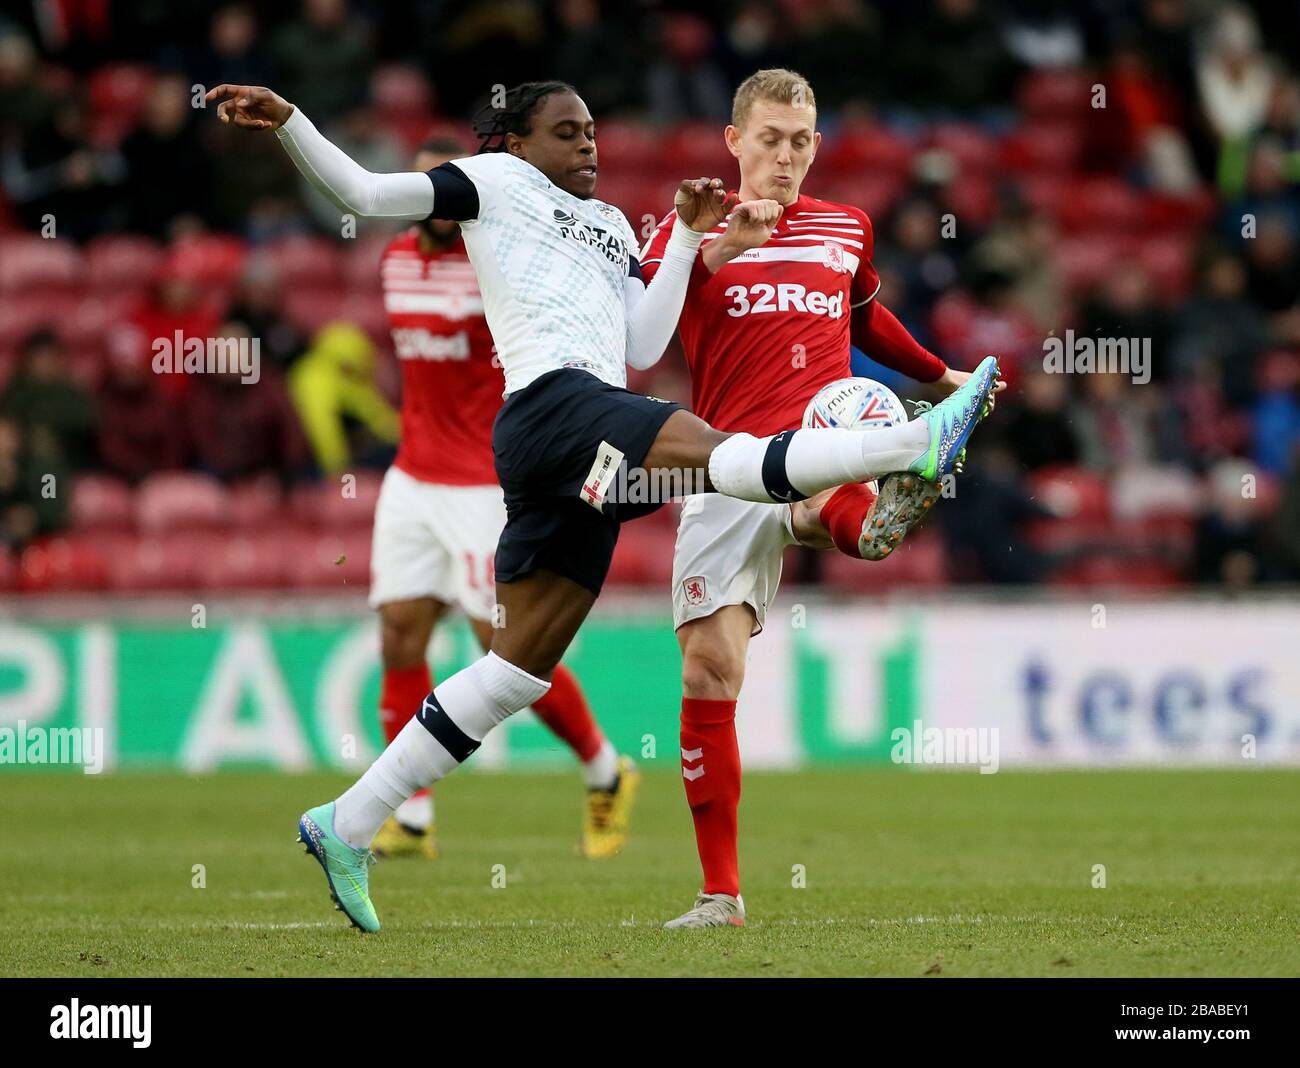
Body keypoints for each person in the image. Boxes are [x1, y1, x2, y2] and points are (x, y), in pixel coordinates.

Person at [207, 78, 998, 931]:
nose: (589, 145)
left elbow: (644, 342)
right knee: (720, 454)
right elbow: (362, 192)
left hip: (579, 436)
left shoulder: (615, 225)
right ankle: (907, 446)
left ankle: (346, 823)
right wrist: (291, 121)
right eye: (566, 131)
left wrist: (693, 239)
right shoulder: (491, 182)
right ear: (516, 142)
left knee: (516, 671)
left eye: (593, 132)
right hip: (553, 405)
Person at [638, 68, 1003, 928]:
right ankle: (720, 895)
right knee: (709, 669)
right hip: (722, 462)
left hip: (823, 426)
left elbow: (866, 315)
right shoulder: (687, 228)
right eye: (770, 138)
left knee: (849, 420)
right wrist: (720, 244)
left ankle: (848, 513)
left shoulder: (848, 225)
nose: (786, 156)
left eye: (801, 141)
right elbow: (649, 326)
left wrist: (941, 373)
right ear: (733, 141)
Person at [368, 136, 640, 862]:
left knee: (503, 647)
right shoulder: (394, 261)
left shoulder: (502, 264)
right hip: (412, 476)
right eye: (422, 180)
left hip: (481, 483)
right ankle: (413, 814)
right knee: (398, 633)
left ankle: (604, 766)